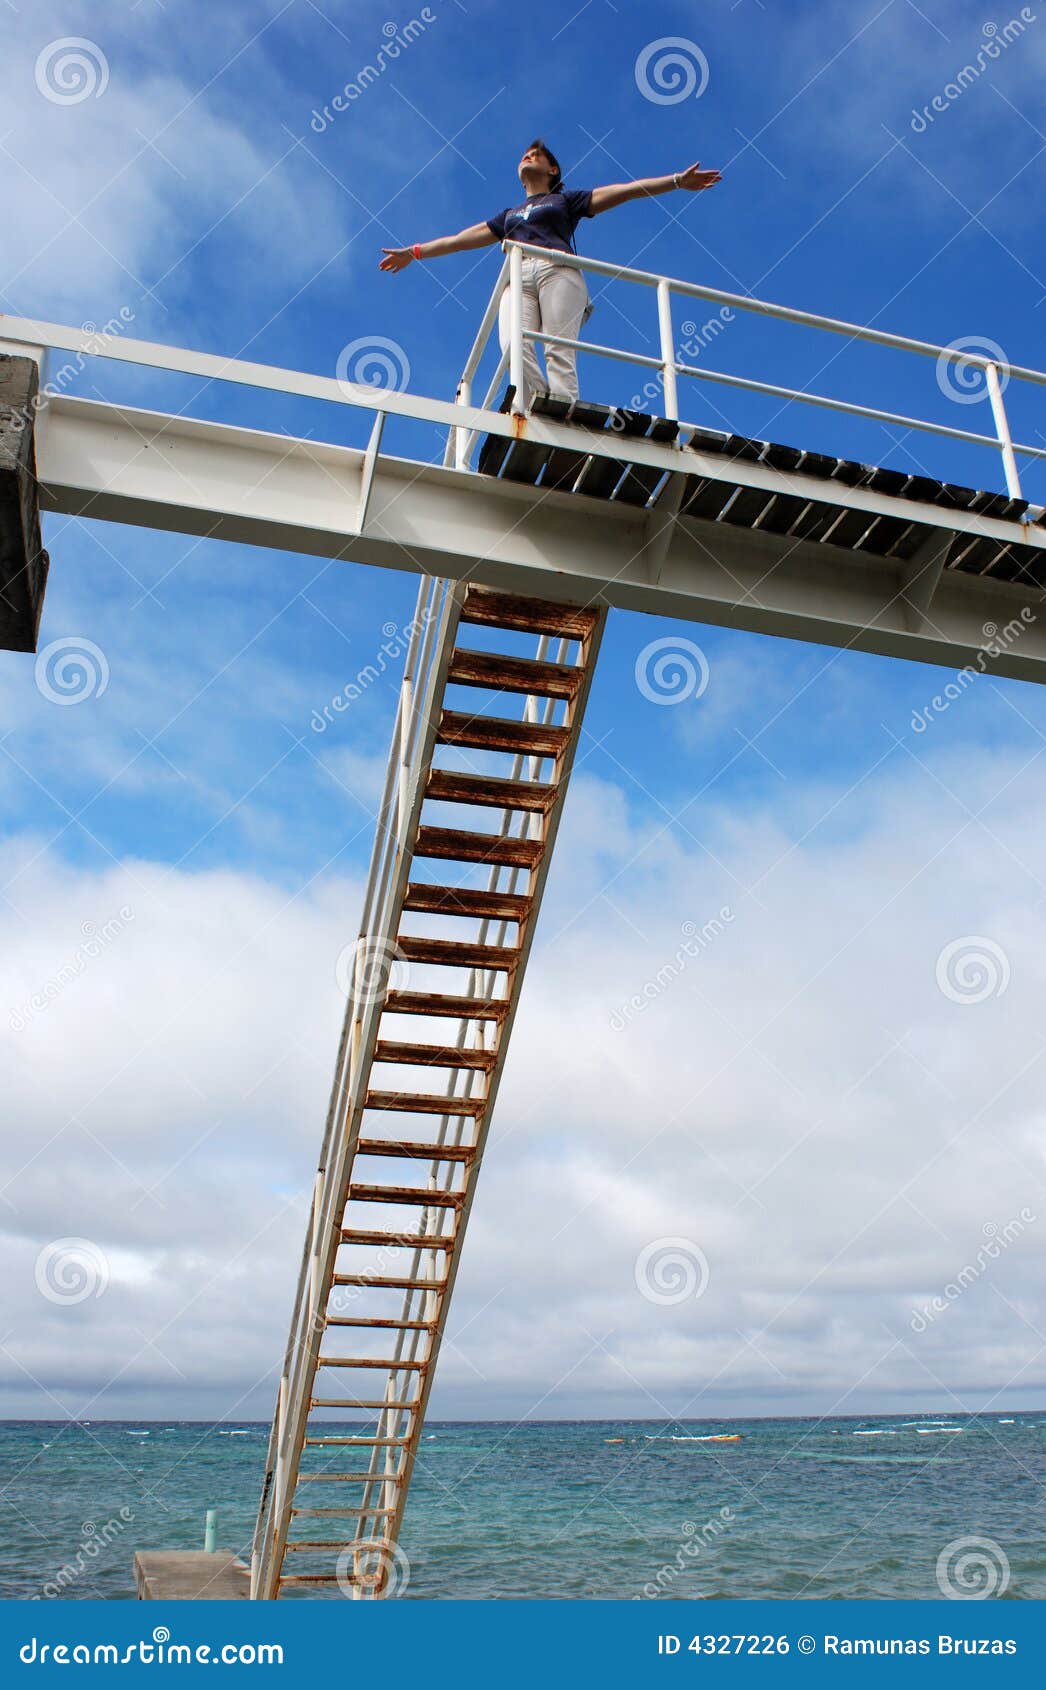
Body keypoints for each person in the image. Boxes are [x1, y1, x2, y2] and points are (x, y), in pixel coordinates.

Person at [379, 140, 721, 411]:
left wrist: (676, 182)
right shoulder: (508, 215)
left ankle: (563, 410)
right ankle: (539, 405)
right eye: (524, 155)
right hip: (517, 276)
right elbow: (459, 240)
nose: (526, 157)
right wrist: (415, 252)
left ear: (552, 169)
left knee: (558, 348)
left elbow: (625, 190)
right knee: (513, 344)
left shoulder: (564, 199)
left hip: (557, 270)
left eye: (535, 155)